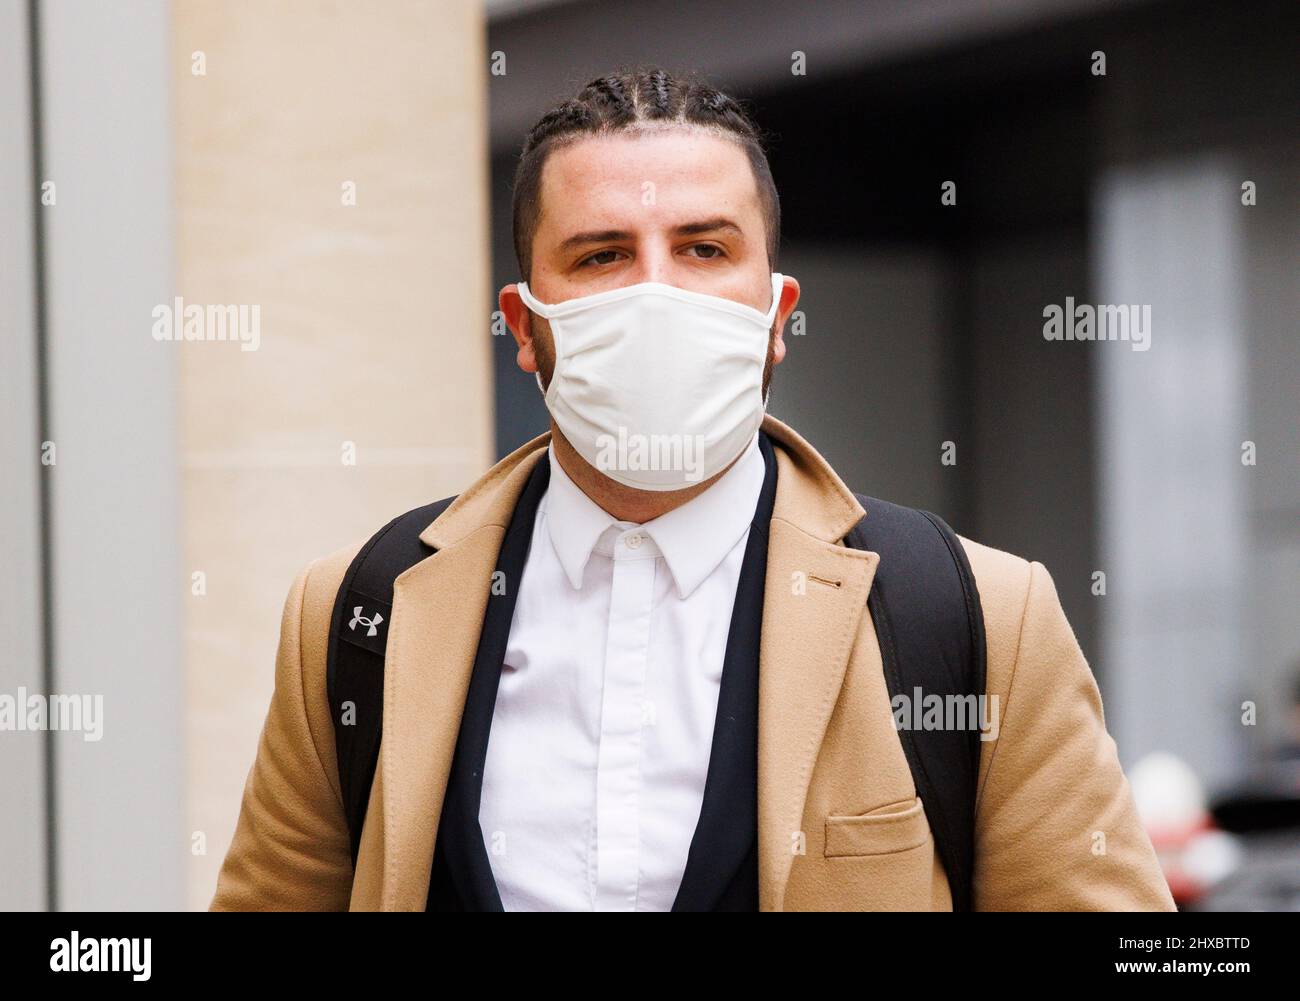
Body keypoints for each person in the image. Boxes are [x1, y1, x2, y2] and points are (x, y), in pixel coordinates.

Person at [210, 66, 1175, 912]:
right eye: (602, 255)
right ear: (524, 323)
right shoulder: (355, 614)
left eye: (705, 249)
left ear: (776, 313)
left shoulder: (974, 617)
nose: (656, 292)